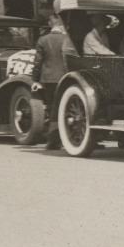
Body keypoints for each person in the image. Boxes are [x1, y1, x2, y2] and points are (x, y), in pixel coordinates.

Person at [31, 16, 72, 148]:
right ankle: (67, 137)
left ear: (50, 24)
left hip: (48, 79)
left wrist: (35, 80)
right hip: (64, 77)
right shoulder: (67, 39)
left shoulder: (42, 40)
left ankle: (53, 140)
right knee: (65, 107)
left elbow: (37, 62)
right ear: (61, 24)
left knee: (52, 107)